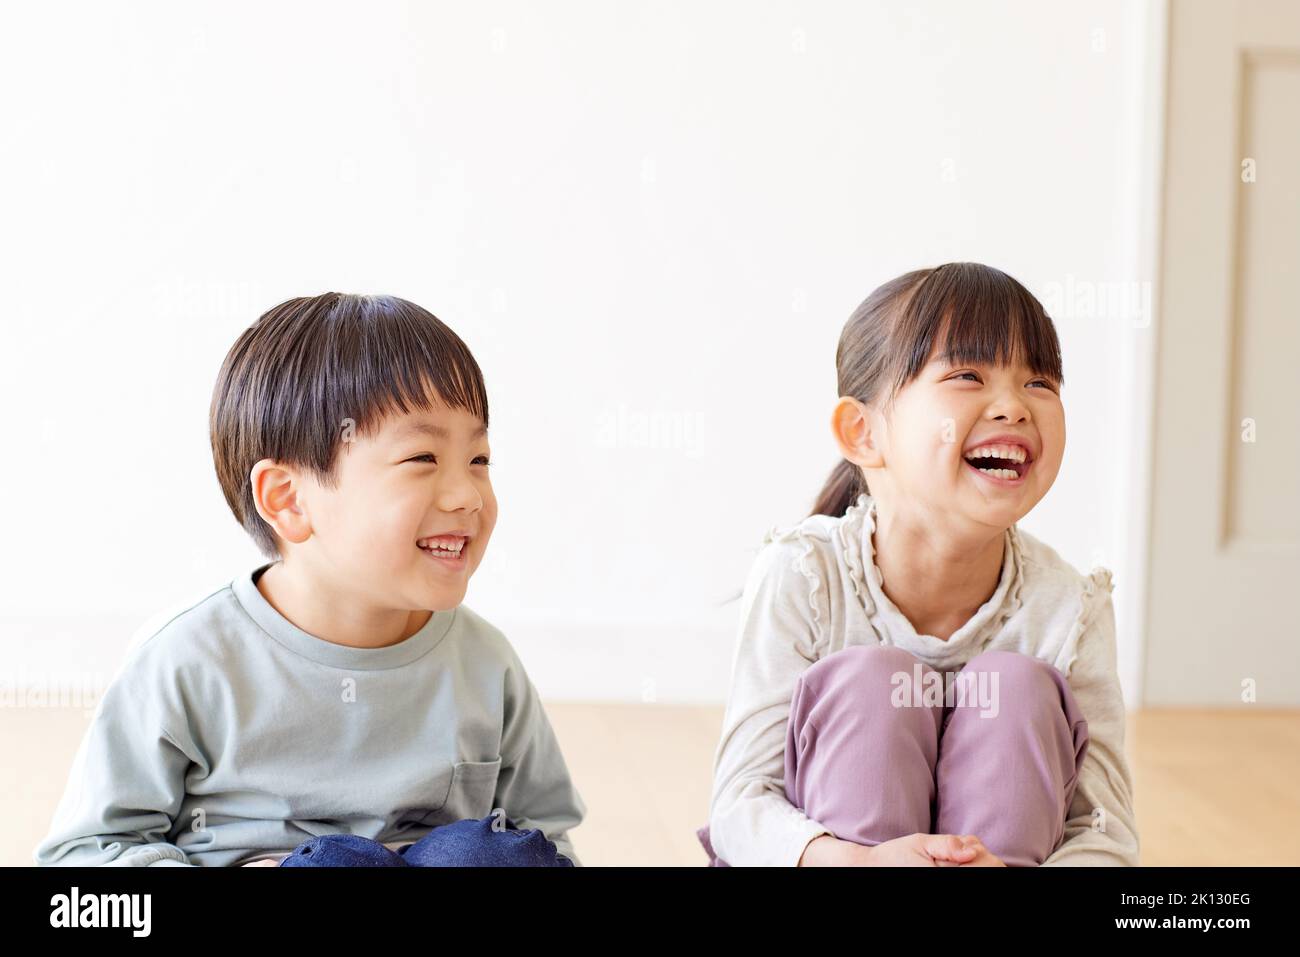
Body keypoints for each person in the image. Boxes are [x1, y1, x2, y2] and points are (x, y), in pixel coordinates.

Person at [34, 293, 584, 867]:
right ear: (289, 499)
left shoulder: (485, 663)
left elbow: (544, 833)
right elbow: (81, 859)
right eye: (422, 458)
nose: (467, 495)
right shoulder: (186, 662)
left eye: (479, 460)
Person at [698, 262, 1139, 867]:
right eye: (966, 374)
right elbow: (740, 808)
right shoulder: (805, 576)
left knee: (1012, 690)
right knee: (873, 685)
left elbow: (1105, 833)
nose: (1013, 406)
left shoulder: (1070, 608)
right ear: (863, 433)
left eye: (1040, 382)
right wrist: (855, 861)